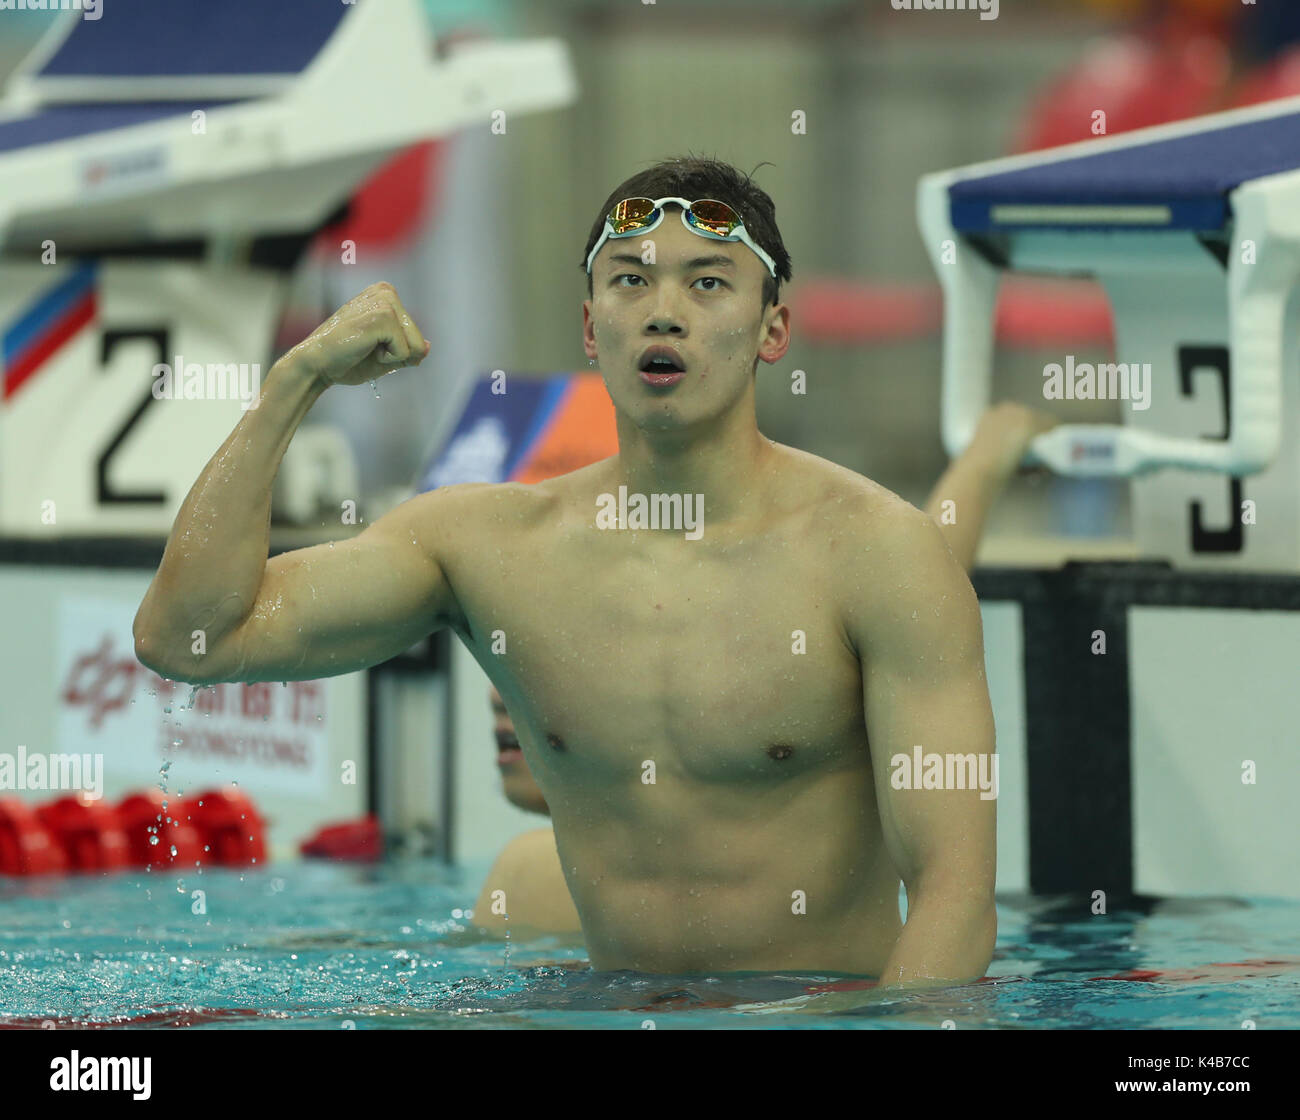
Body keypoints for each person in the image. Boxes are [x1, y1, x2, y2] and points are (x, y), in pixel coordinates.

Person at [135, 155, 1023, 987]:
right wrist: (295, 379)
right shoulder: (484, 545)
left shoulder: (877, 552)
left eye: (707, 282)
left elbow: (955, 900)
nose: (662, 310)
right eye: (630, 280)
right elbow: (190, 639)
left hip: (818, 1012)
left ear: (774, 328)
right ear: (591, 328)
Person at [471, 402, 1057, 941]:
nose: (502, 698)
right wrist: (987, 457)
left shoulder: (523, 884)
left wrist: (985, 460)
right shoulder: (524, 882)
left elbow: (915, 586)